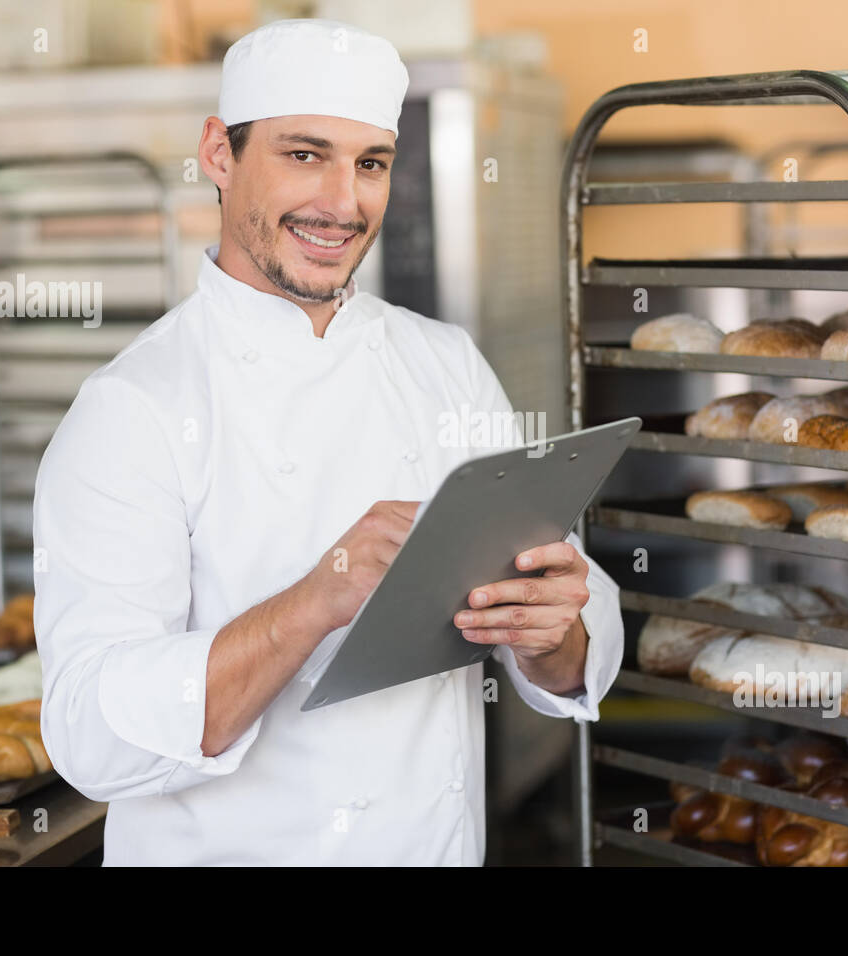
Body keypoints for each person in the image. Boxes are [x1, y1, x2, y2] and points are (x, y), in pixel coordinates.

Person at [33, 18, 624, 865]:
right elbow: (90, 737)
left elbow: (576, 636)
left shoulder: (443, 363)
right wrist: (314, 604)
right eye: (304, 155)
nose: (342, 203)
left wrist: (552, 636)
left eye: (370, 164)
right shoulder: (134, 409)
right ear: (219, 154)